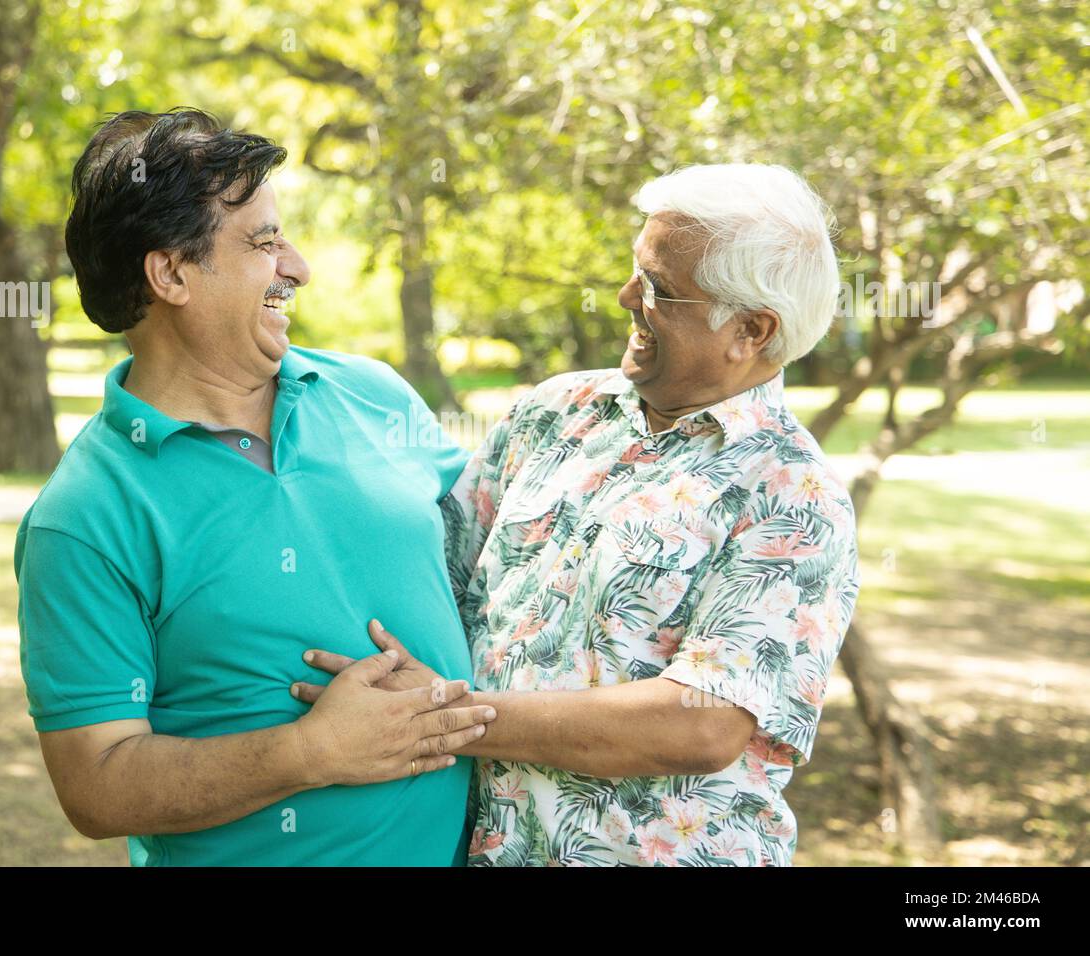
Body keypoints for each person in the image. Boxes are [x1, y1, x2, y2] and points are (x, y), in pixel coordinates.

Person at [295, 163, 861, 866]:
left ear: (750, 329)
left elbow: (701, 723)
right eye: (635, 270)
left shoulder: (793, 494)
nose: (626, 296)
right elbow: (431, 574)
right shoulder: (555, 412)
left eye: (658, 288)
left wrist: (442, 714)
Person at [15, 108, 493, 866]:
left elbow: (509, 555)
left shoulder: (375, 395)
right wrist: (311, 751)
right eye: (265, 243)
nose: (297, 266)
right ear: (170, 272)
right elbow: (96, 786)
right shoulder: (85, 516)